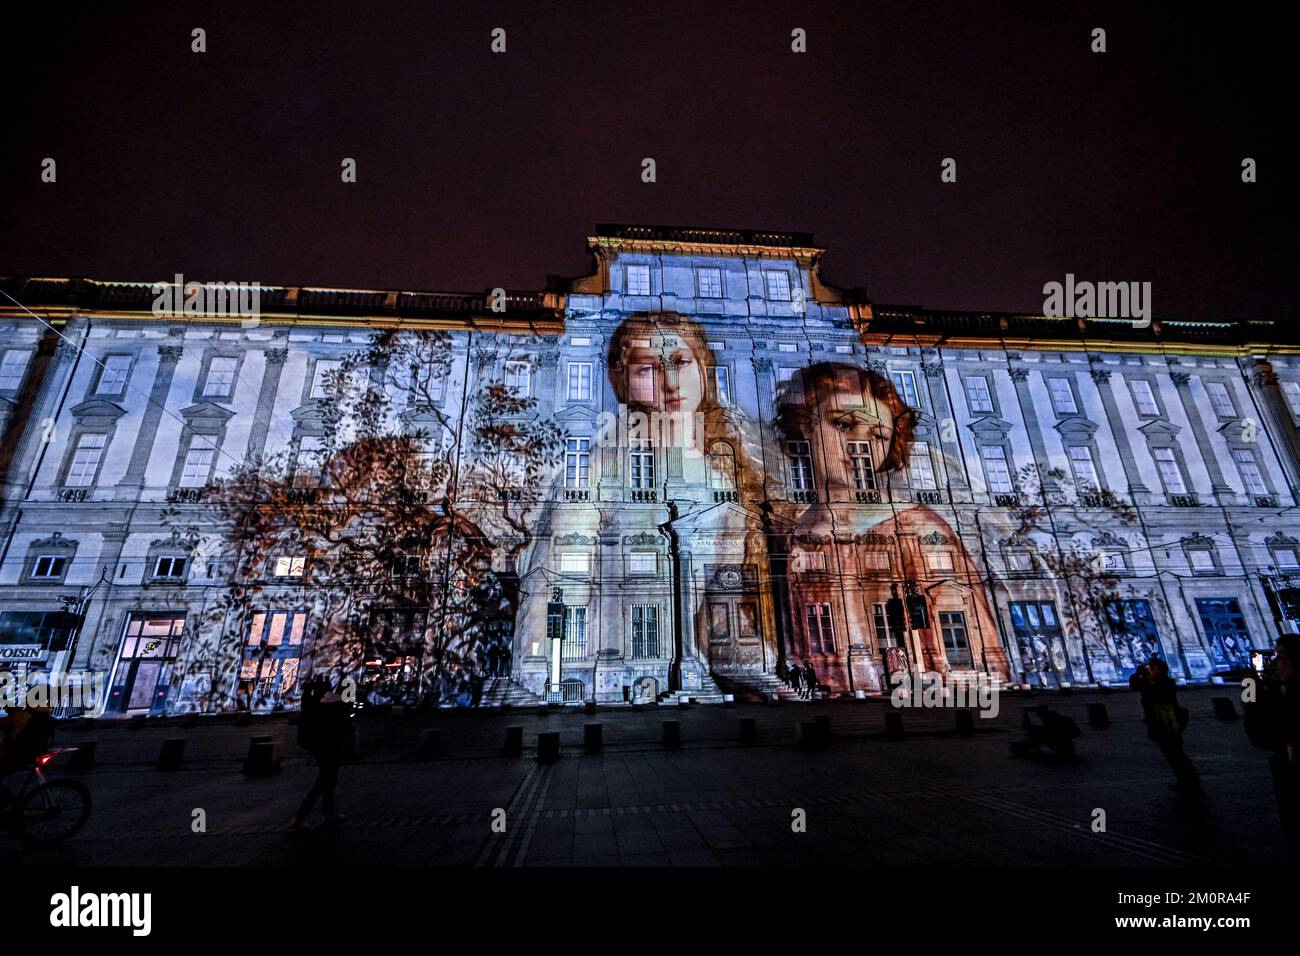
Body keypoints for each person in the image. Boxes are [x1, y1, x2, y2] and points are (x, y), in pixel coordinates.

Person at [1243, 634, 1300, 860]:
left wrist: (1250, 687)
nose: (1276, 663)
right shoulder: (1280, 691)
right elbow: (1258, 731)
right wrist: (1251, 686)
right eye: (1274, 656)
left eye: (1281, 657)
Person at [1130, 656, 1204, 798]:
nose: (1149, 670)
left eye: (1152, 668)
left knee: (1176, 754)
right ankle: (1185, 780)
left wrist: (1145, 679)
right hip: (1160, 723)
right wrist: (1138, 674)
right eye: (1149, 668)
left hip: (1168, 723)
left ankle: (1192, 783)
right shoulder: (1154, 682)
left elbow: (1150, 691)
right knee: (1172, 755)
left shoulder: (1164, 683)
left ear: (1160, 669)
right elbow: (1135, 685)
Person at [292, 675, 353, 831]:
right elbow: (343, 721)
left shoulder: (312, 705)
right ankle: (300, 817)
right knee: (324, 781)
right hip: (329, 746)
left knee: (329, 780)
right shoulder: (326, 706)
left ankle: (328, 813)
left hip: (322, 747)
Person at [1010, 705, 1080, 760]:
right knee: (1040, 735)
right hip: (1067, 744)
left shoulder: (1052, 721)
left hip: (1063, 746)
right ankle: (1022, 746)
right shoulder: (1055, 718)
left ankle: (1022, 747)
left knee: (1040, 736)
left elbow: (1048, 731)